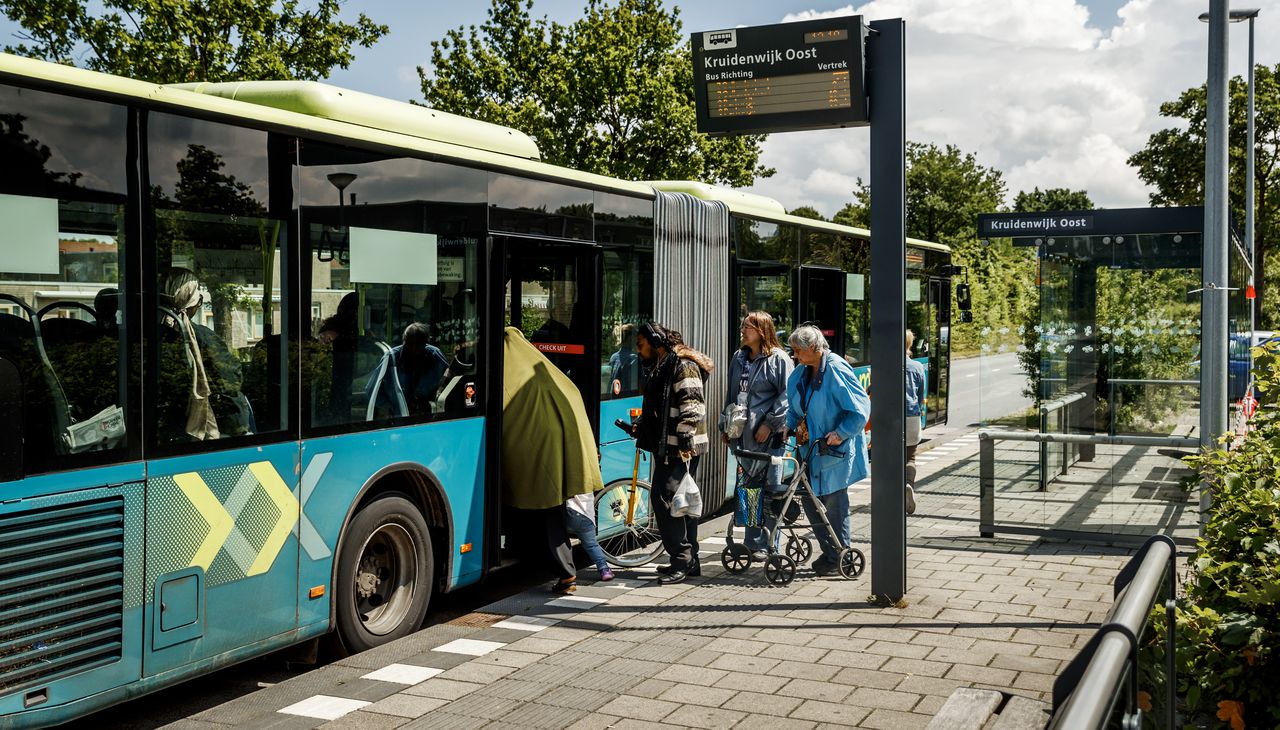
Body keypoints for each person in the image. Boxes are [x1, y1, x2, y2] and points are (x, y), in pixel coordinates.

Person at [630, 321, 713, 585]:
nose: (638, 350)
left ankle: (681, 560)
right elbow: (660, 405)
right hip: (668, 444)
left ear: (655, 342)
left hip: (680, 447)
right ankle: (690, 560)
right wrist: (643, 424)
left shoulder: (682, 364)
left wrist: (685, 435)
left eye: (641, 345)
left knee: (664, 499)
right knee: (681, 503)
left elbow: (693, 403)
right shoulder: (662, 365)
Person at [785, 324, 870, 576]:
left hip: (834, 450)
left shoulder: (836, 368)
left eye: (798, 350)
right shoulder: (801, 372)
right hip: (810, 450)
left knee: (834, 503)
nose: (795, 355)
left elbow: (860, 410)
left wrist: (840, 433)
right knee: (810, 500)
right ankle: (830, 552)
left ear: (814, 347)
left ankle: (840, 555)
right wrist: (787, 426)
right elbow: (795, 406)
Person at [719, 311, 792, 559]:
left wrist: (769, 425)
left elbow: (786, 396)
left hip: (769, 438)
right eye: (742, 326)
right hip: (743, 436)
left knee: (770, 491)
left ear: (762, 331)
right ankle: (752, 542)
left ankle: (769, 544)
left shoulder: (779, 359)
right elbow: (731, 395)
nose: (742, 330)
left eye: (747, 327)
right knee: (750, 489)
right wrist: (725, 426)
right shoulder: (739, 357)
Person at [366, 323, 450, 418]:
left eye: (418, 346)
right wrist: (388, 407)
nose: (414, 350)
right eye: (410, 345)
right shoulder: (391, 358)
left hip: (427, 415)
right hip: (399, 417)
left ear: (425, 343)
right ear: (404, 341)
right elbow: (372, 389)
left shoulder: (434, 355)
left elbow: (449, 379)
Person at [563, 491, 614, 582]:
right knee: (592, 545)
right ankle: (604, 570)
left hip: (569, 512)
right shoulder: (588, 486)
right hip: (586, 518)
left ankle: (566, 572)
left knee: (561, 542)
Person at [905, 329, 926, 515]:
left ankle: (891, 493)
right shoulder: (917, 367)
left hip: (890, 420)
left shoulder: (884, 366)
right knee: (910, 458)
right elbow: (920, 396)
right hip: (912, 416)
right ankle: (908, 484)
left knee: (889, 457)